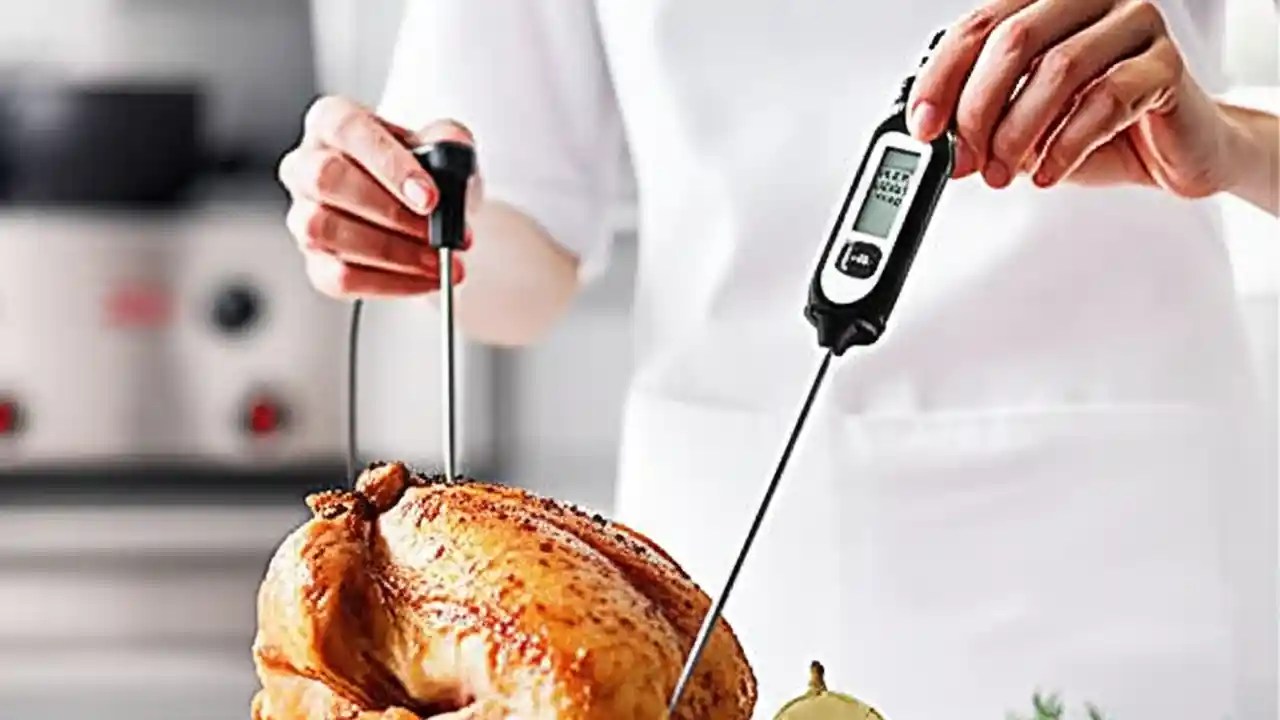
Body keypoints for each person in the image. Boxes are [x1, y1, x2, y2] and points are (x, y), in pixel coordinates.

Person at [277, 1, 1279, 717]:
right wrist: (412, 221)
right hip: (732, 557)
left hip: (1124, 548)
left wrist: (1231, 141)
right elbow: (514, 277)